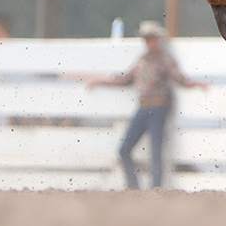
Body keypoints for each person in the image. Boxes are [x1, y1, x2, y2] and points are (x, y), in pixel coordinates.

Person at [88, 21, 207, 190]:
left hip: (158, 107)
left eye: (151, 38)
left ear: (158, 39)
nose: (149, 42)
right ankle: (134, 187)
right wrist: (100, 79)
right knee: (124, 149)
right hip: (144, 107)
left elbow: (180, 78)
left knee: (155, 151)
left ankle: (155, 188)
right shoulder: (142, 59)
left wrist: (196, 84)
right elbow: (124, 78)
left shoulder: (165, 58)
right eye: (146, 39)